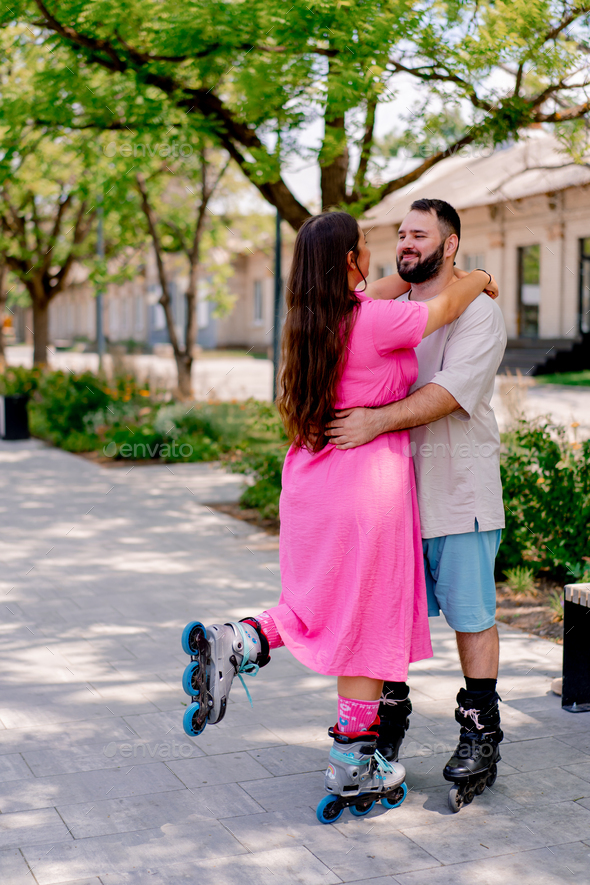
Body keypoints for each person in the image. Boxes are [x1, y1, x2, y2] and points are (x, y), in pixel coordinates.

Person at [180, 210, 497, 822]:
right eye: (366, 250)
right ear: (349, 263)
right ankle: (354, 764)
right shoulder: (376, 323)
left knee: (313, 603)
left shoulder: (307, 321)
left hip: (308, 482)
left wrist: (402, 275)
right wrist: (476, 272)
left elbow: (382, 288)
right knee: (365, 618)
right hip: (364, 486)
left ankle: (239, 639)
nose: (379, 258)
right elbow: (447, 303)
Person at [325, 198, 507, 812]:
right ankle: (388, 723)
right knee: (391, 617)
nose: (405, 243)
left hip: (460, 490)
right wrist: (412, 269)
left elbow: (448, 394)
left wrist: (373, 422)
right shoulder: (395, 308)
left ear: (449, 244)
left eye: (419, 235)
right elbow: (344, 296)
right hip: (395, 495)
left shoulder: (478, 313)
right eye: (399, 234)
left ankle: (481, 730)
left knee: (470, 613)